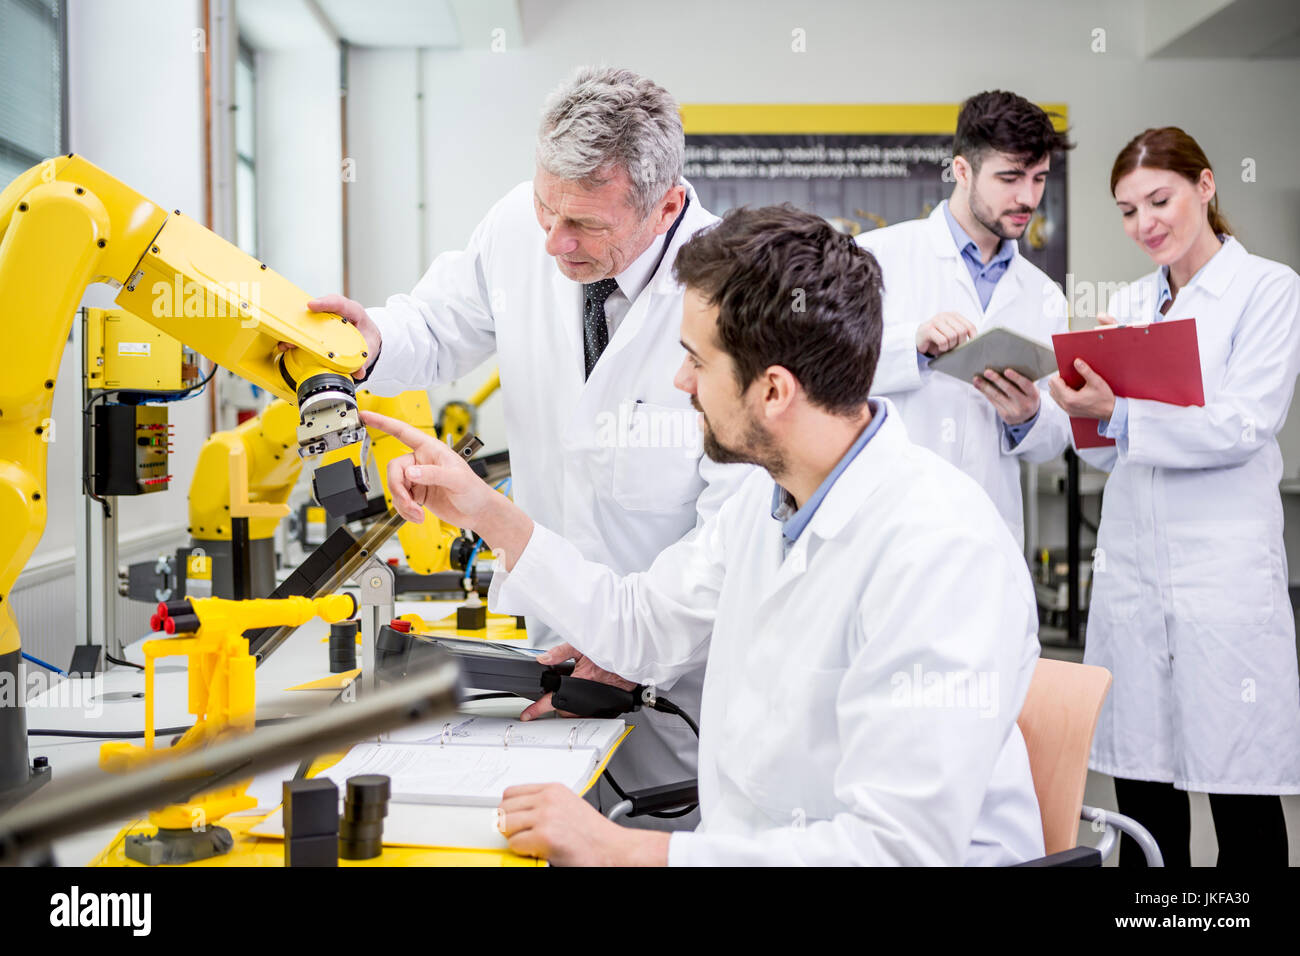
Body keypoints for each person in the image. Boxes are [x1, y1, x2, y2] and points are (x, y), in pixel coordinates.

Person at [362, 206, 1045, 866]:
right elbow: (638, 626)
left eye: (696, 359)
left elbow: (898, 854)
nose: (679, 380)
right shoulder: (770, 504)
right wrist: (484, 511)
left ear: (774, 392)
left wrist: (622, 850)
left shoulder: (941, 552)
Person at [305, 68, 750, 827]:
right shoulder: (526, 223)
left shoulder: (732, 295)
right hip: (549, 651)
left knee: (655, 835)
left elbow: (734, 536)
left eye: (583, 225)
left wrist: (638, 650)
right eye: (546, 206)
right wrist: (376, 338)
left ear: (666, 204)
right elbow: (441, 323)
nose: (552, 241)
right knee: (537, 837)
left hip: (681, 675)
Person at [1049, 127, 1300, 867]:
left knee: (1241, 790)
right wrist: (1073, 410)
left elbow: (1245, 423)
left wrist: (1119, 413)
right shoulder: (1128, 303)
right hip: (1133, 573)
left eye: (1159, 199)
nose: (1144, 223)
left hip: (1222, 580)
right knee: (1143, 798)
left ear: (1207, 186)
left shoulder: (1268, 289)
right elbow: (1108, 454)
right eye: (1127, 211)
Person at [857, 91, 1074, 548]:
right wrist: (910, 346)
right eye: (1010, 177)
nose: (1027, 197)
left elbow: (1056, 436)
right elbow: (824, 378)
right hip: (892, 526)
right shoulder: (879, 257)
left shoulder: (1043, 294)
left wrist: (1029, 417)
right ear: (961, 170)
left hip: (988, 531)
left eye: (1039, 179)